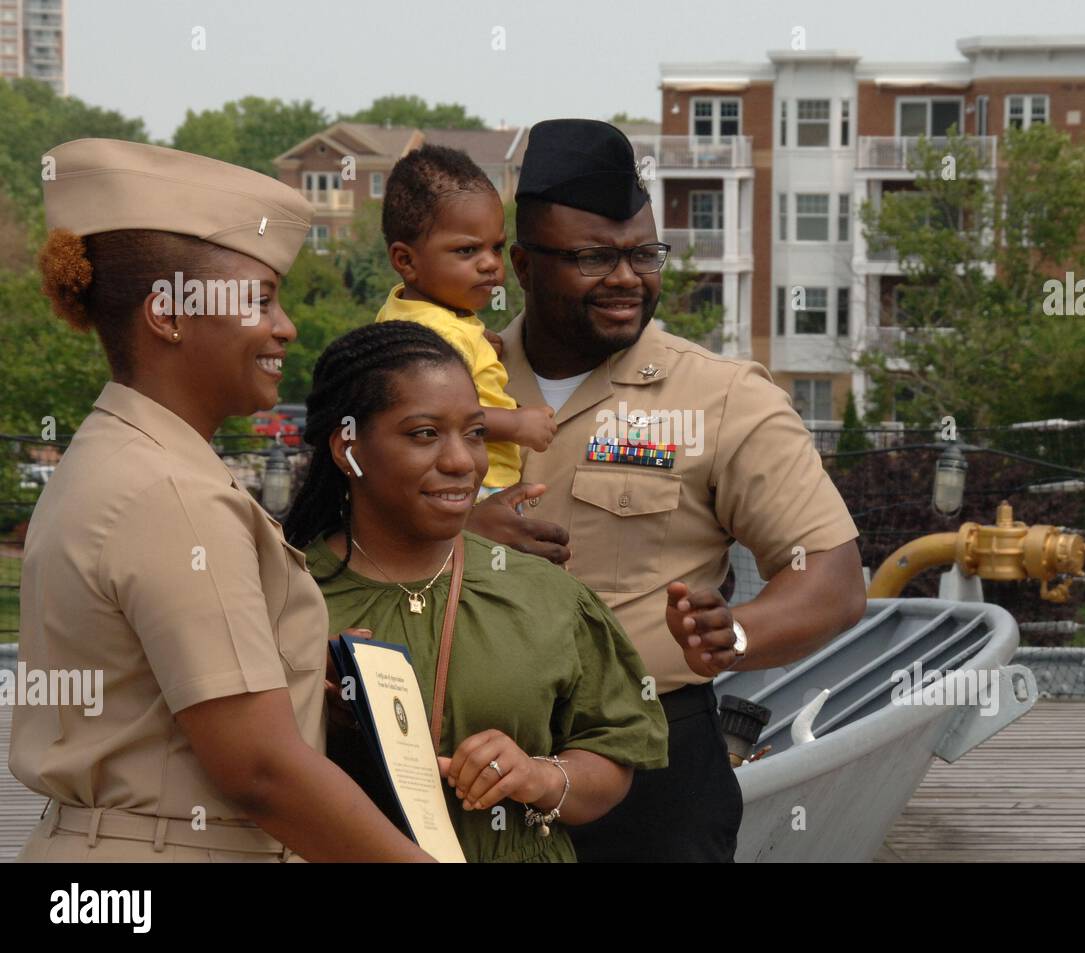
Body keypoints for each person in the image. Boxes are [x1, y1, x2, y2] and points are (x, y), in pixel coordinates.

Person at [11, 138, 431, 862]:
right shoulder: (172, 492)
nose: (285, 326)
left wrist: (303, 677)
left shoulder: (123, 454)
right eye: (260, 299)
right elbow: (262, 770)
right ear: (168, 313)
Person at [465, 119, 867, 862]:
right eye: (592, 257)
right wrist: (460, 539)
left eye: (644, 254)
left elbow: (833, 580)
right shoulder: (449, 381)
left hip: (652, 766)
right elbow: (342, 539)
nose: (627, 278)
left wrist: (735, 635)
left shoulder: (719, 397)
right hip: (464, 761)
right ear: (523, 264)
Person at [281, 319, 669, 862]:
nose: (462, 461)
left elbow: (612, 753)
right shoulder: (284, 597)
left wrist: (538, 776)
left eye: (475, 432)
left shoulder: (543, 594)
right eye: (423, 434)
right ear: (348, 449)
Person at [376, 144, 556, 502]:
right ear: (405, 260)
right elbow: (442, 418)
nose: (490, 263)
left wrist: (475, 341)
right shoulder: (435, 336)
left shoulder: (410, 312)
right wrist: (519, 424)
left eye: (496, 248)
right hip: (469, 488)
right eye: (467, 251)